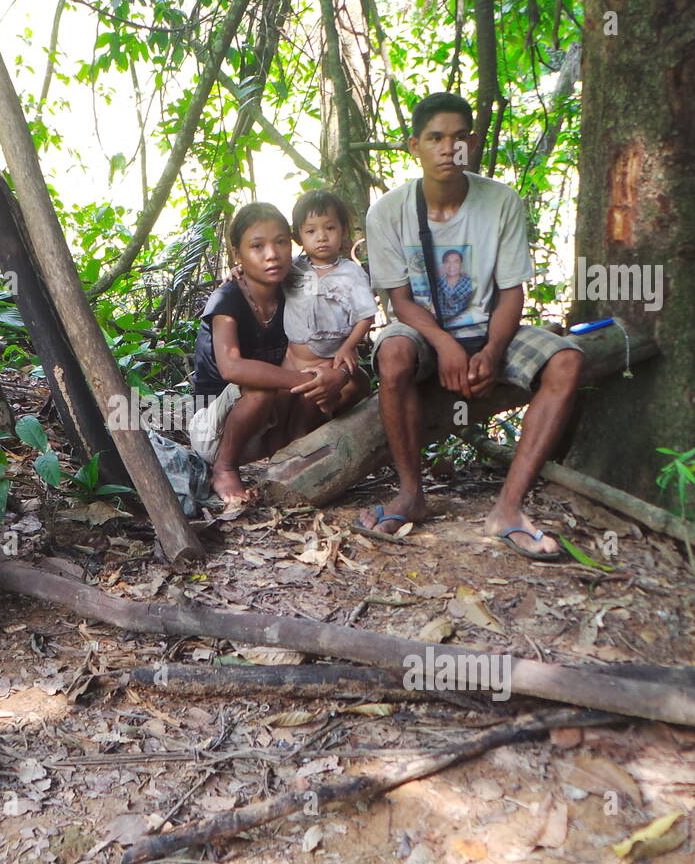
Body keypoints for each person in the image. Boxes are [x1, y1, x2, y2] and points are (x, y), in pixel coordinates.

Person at [356, 92, 584, 560]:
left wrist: (493, 351)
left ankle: (508, 506)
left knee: (567, 361)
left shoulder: (501, 202)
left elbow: (510, 291)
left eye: (459, 138)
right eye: (435, 138)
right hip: (423, 332)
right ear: (413, 146)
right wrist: (444, 344)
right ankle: (410, 493)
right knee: (392, 353)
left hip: (488, 326)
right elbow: (399, 300)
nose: (448, 148)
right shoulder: (388, 213)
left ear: (472, 144)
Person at [189, 202, 352, 506]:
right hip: (216, 431)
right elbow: (231, 368)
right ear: (238, 255)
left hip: (266, 425)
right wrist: (304, 379)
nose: (271, 254)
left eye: (280, 242)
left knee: (350, 381)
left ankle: (290, 453)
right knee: (263, 388)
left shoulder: (294, 288)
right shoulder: (227, 300)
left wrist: (333, 375)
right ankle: (224, 469)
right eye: (257, 246)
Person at [279, 190, 374, 439]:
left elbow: (366, 315)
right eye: (311, 231)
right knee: (292, 415)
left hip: (331, 361)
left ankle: (320, 444)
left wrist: (349, 347)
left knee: (317, 412)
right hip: (292, 361)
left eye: (330, 228)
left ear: (343, 230)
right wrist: (239, 271)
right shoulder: (293, 268)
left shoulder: (351, 273)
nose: (321, 237)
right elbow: (261, 273)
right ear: (299, 235)